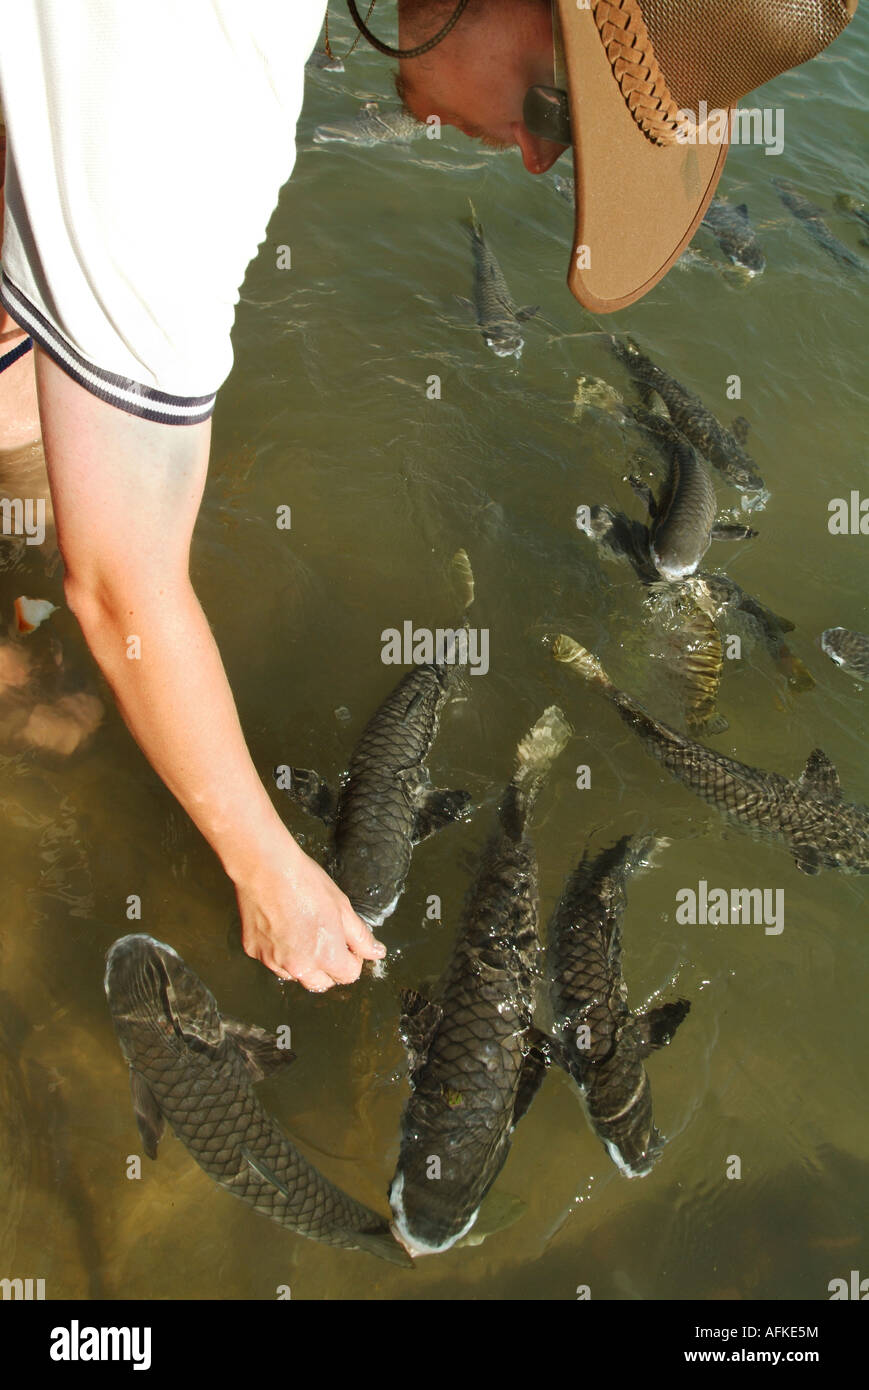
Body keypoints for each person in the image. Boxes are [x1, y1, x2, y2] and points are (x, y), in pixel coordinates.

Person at [0, 0, 857, 991]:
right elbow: (118, 582)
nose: (537, 162)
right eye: (557, 116)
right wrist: (266, 866)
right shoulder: (207, 95)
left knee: (44, 376)